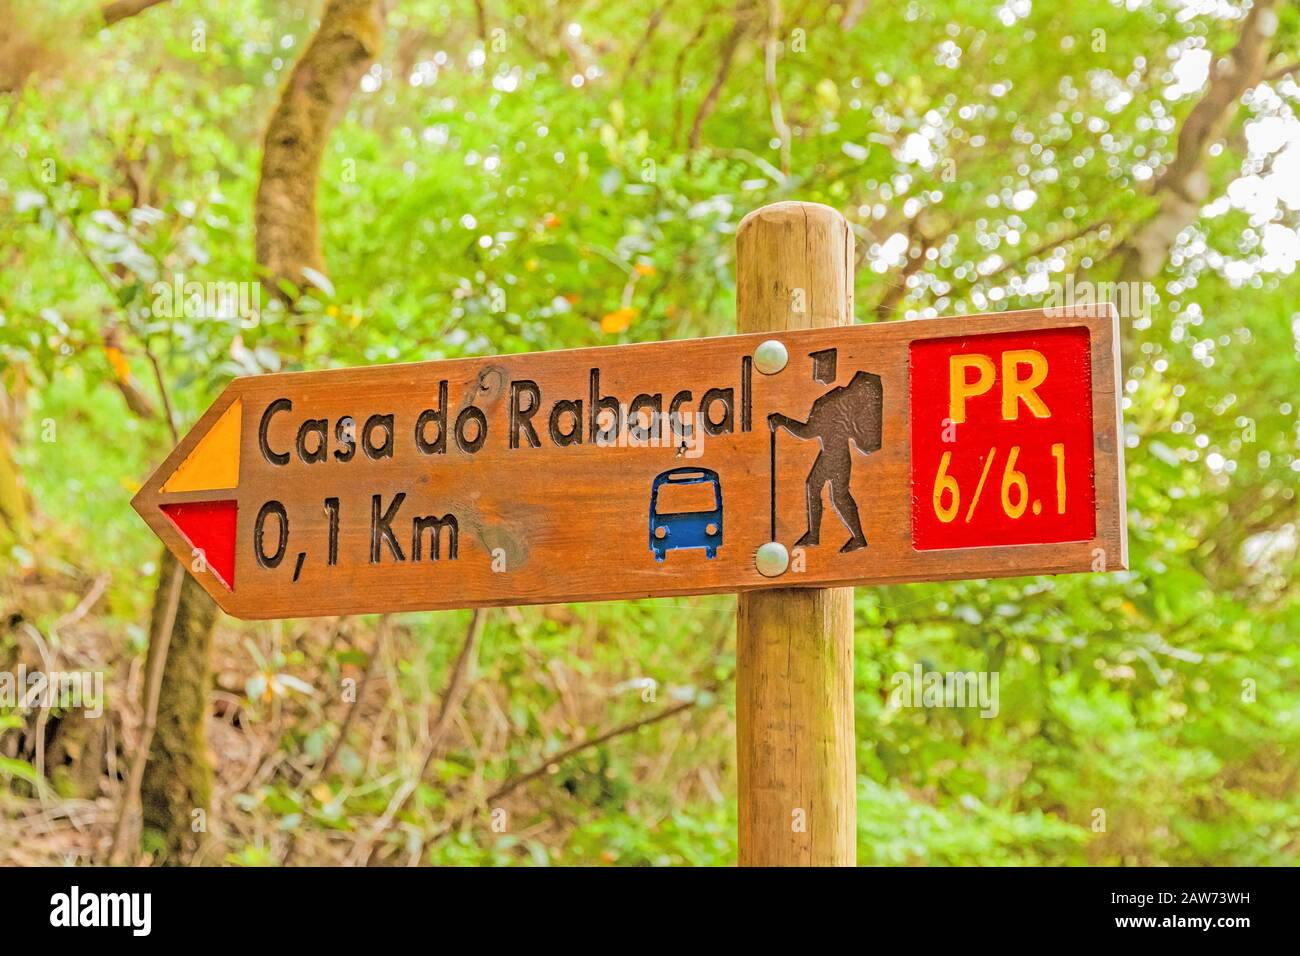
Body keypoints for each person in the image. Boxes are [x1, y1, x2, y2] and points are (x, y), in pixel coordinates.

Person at [769, 351, 882, 553]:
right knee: (819, 488)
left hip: (836, 456)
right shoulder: (837, 401)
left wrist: (781, 421)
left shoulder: (832, 403)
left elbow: (807, 432)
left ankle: (856, 537)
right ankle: (818, 535)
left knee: (837, 495)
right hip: (831, 454)